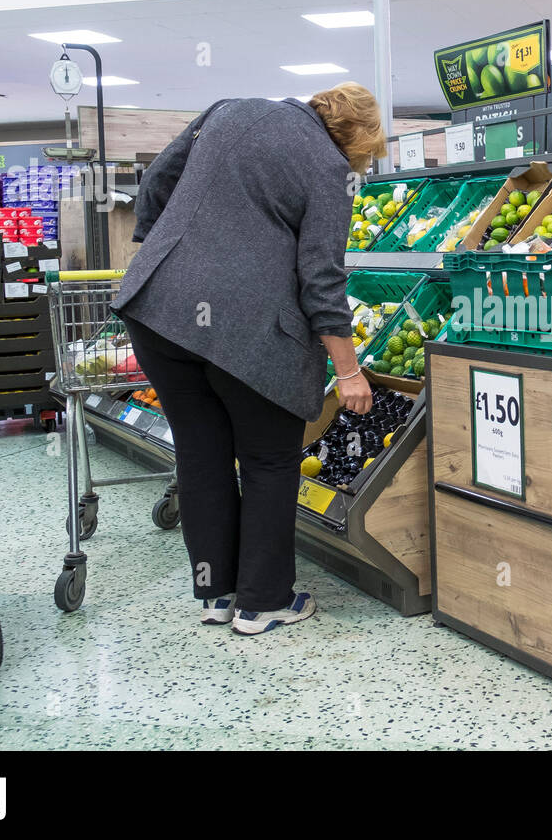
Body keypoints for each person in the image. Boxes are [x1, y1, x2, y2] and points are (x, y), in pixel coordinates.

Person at [112, 84, 386, 636]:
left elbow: (157, 180)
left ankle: (217, 594)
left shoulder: (227, 110)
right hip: (246, 328)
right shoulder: (329, 167)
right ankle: (263, 602)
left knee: (201, 455)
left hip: (157, 310)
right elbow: (322, 278)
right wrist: (349, 371)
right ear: (356, 139)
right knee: (268, 460)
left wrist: (176, 250)